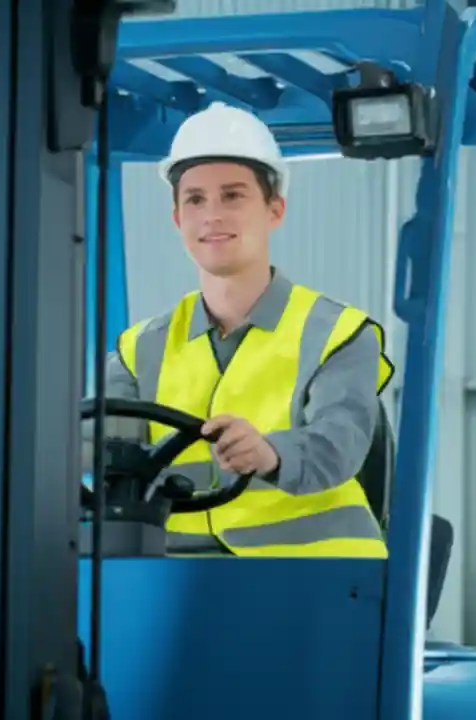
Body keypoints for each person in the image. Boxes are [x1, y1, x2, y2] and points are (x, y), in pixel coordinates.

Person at [102, 101, 394, 558]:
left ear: (274, 210)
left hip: (318, 573)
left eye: (233, 196)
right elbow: (101, 448)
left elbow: (338, 444)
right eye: (195, 199)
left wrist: (270, 453)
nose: (212, 215)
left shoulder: (339, 334)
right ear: (177, 218)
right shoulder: (139, 348)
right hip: (177, 574)